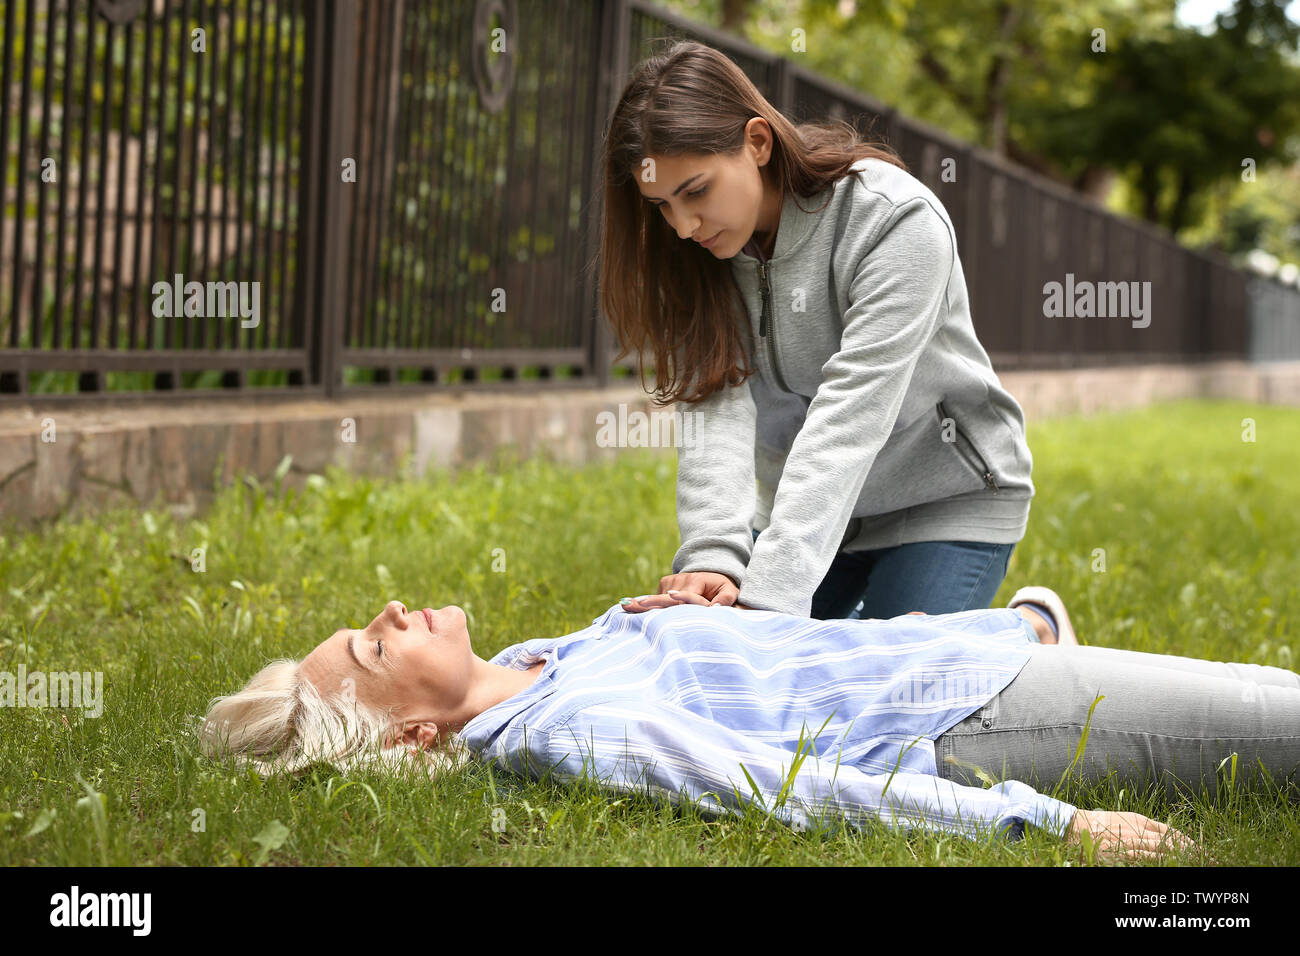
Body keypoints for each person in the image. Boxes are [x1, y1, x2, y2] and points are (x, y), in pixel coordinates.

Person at [200, 587, 1300, 861]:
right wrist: (1054, 826)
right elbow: (797, 786)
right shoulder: (570, 730)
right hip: (975, 715)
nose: (389, 613)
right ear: (411, 738)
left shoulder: (539, 662)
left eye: (368, 623)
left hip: (984, 651)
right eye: (377, 649)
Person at [598, 40, 1036, 621]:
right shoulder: (698, 256)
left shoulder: (893, 220)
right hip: (798, 513)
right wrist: (714, 558)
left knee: (893, 692)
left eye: (696, 191)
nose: (682, 227)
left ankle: (1037, 627)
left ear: (756, 142)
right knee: (764, 688)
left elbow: (849, 419)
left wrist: (767, 603)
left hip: (941, 501)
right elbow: (715, 405)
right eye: (661, 206)